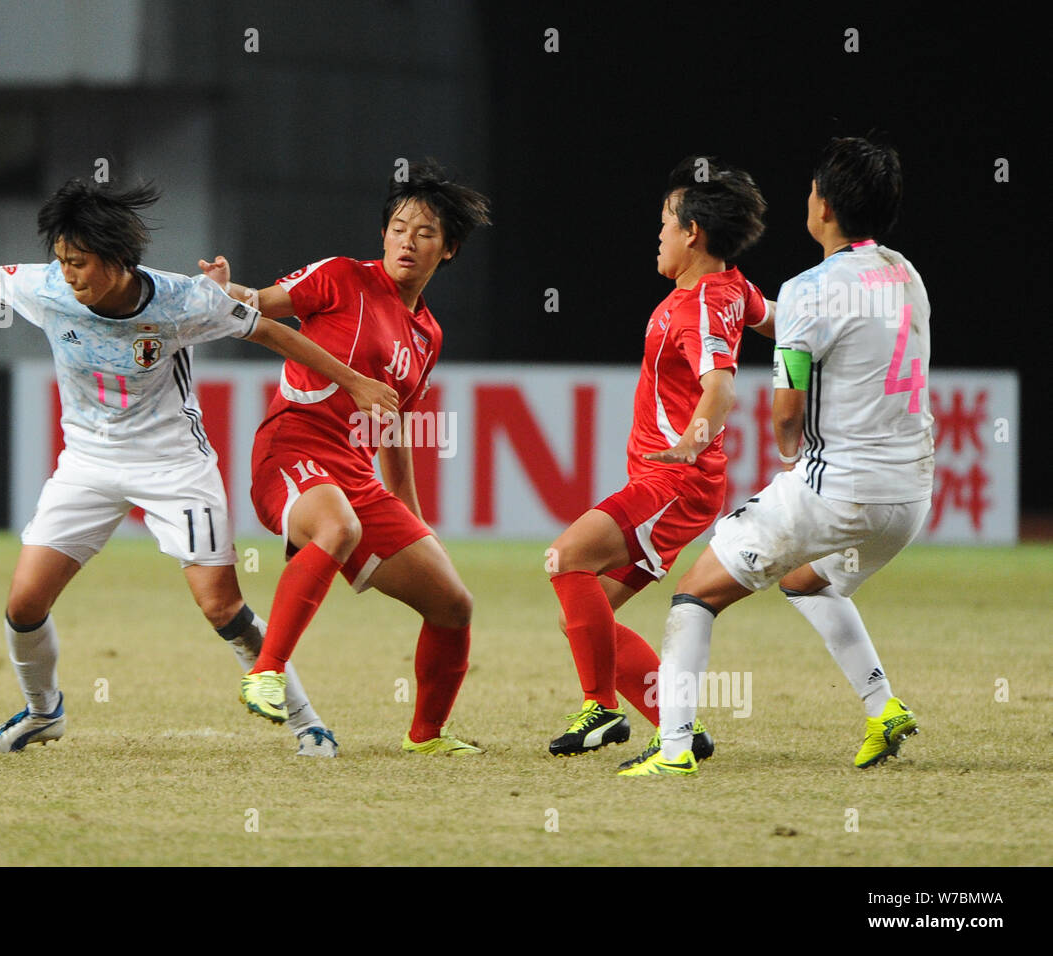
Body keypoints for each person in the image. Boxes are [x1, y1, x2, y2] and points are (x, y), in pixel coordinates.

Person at [0, 179, 399, 757]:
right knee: (23, 604)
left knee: (222, 607)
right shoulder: (47, 287)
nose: (68, 274)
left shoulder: (184, 301)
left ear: (117, 259)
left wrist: (357, 382)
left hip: (174, 467)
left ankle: (307, 723)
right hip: (86, 464)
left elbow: (272, 331)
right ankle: (43, 713)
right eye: (62, 261)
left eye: (80, 263)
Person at [619, 137, 932, 777]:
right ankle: (884, 707)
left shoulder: (808, 290)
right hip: (912, 496)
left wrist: (791, 457)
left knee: (694, 595)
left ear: (824, 207)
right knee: (803, 578)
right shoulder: (907, 274)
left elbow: (787, 409)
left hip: (838, 488)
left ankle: (674, 750)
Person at [200, 160, 491, 754]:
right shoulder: (340, 276)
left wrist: (410, 512)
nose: (408, 241)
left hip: (355, 476)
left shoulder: (427, 336)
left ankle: (427, 736)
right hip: (292, 449)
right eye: (399, 227)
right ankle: (267, 672)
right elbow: (259, 303)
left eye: (426, 232)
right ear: (383, 233)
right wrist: (223, 287)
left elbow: (395, 425)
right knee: (335, 525)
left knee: (453, 605)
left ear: (450, 249)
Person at [546, 157, 768, 759]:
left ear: (693, 232)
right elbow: (778, 322)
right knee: (586, 617)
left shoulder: (697, 304)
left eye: (667, 223)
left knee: (566, 560)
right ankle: (682, 729)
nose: (660, 236)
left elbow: (720, 385)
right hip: (676, 484)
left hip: (673, 479)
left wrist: (691, 444)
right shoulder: (734, 289)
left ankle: (602, 711)